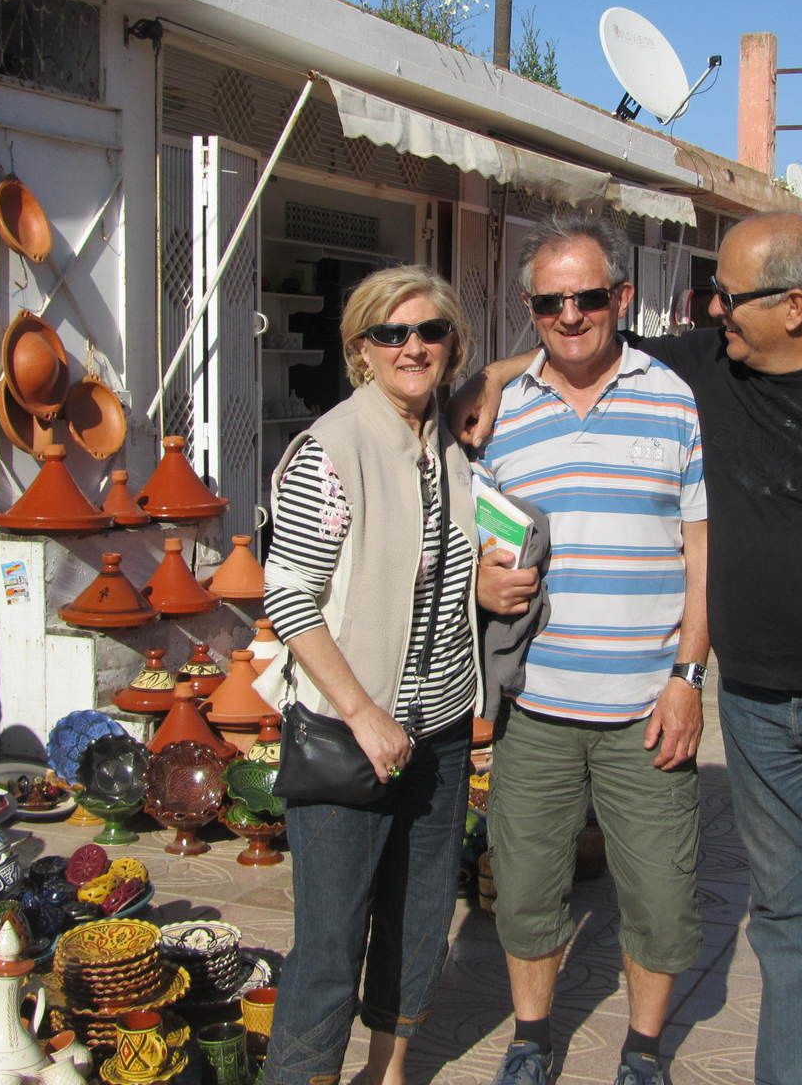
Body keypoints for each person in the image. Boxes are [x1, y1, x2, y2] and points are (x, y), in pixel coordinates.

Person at [456, 211, 802, 1085]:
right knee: (785, 922)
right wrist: (490, 370)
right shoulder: (715, 363)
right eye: (711, 300)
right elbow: (580, 348)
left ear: (792, 305)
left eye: (726, 298)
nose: (711, 311)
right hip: (761, 709)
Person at [478, 215, 708, 1085]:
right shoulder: (498, 413)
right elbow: (474, 541)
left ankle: (643, 1051)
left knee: (659, 892)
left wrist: (688, 677)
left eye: (586, 297)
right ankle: (532, 1038)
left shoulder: (671, 395)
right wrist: (480, 586)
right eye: (549, 301)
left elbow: (701, 553)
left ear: (620, 297)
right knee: (529, 888)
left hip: (648, 706)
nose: (569, 316)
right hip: (534, 706)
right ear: (530, 308)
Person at [261, 266, 484, 1085]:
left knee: (418, 921)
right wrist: (362, 711)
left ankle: (389, 1073)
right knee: (330, 940)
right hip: (350, 734)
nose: (412, 347)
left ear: (452, 345)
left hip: (443, 728)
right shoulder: (335, 448)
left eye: (429, 332)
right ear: (360, 349)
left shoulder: (452, 445)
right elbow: (289, 598)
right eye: (391, 334)